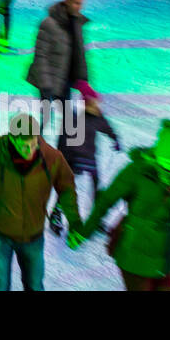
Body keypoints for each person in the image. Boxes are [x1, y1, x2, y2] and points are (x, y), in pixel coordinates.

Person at [0, 113, 83, 291]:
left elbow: (66, 189)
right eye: (23, 146)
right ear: (12, 139)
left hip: (33, 236)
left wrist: (74, 221)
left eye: (33, 144)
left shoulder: (52, 158)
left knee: (34, 286)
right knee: (0, 286)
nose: (29, 151)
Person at [81, 120, 170, 291]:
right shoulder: (136, 172)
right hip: (134, 256)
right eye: (167, 164)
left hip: (165, 257)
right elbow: (106, 200)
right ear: (157, 156)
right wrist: (85, 231)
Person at [49, 86, 121, 235]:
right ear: (87, 104)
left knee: (95, 186)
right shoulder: (74, 118)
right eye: (94, 103)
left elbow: (107, 128)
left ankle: (96, 219)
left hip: (89, 158)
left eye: (97, 103)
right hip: (73, 158)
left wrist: (115, 139)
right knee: (67, 189)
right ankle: (55, 215)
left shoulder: (97, 118)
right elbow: (63, 140)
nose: (97, 105)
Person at [27, 0, 94, 134]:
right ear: (67, 1)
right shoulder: (49, 24)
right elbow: (41, 55)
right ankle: (36, 146)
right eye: (76, 3)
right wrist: (45, 84)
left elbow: (79, 53)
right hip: (49, 79)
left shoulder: (77, 23)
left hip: (65, 79)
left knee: (68, 118)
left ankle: (66, 151)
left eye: (81, 3)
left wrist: (82, 80)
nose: (79, 7)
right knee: (46, 117)